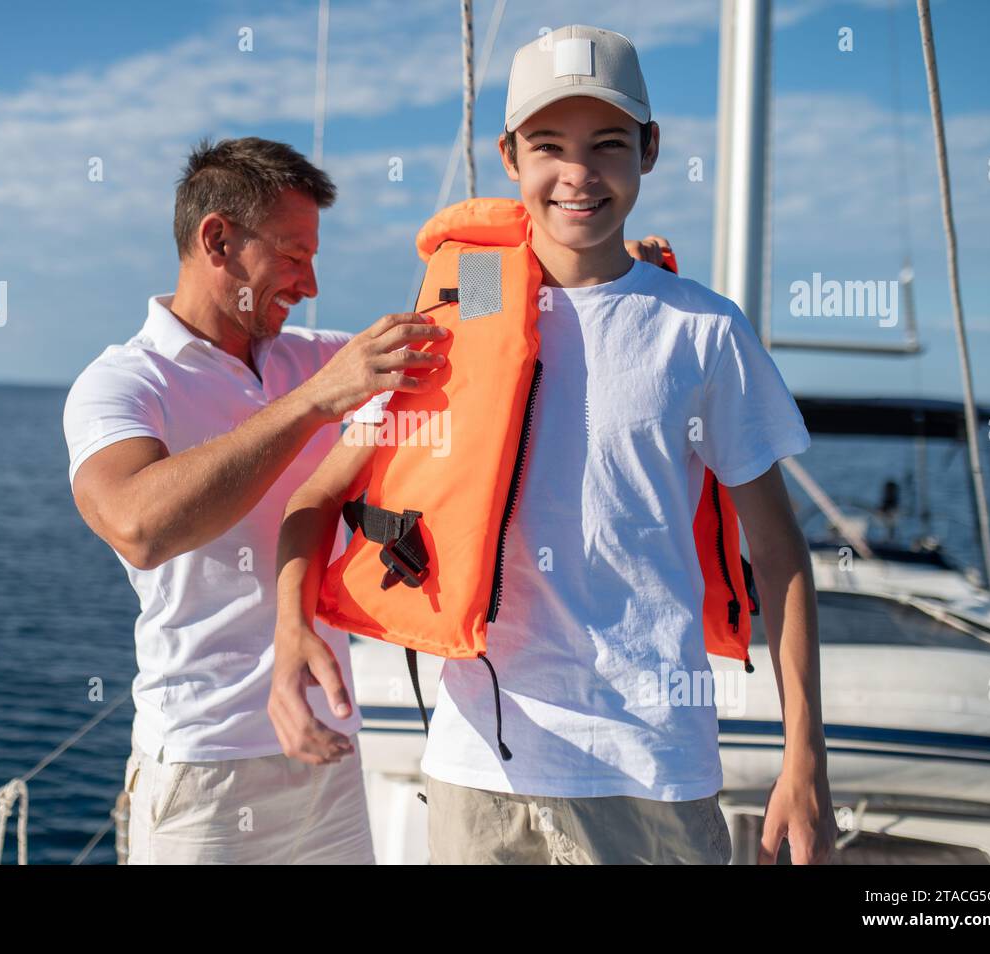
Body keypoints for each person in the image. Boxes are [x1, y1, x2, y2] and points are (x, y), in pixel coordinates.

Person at [269, 26, 838, 865]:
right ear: (508, 156)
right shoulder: (451, 320)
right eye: (548, 147)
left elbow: (783, 554)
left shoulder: (704, 331)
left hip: (651, 779)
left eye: (609, 145)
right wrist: (290, 636)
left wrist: (806, 759)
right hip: (478, 780)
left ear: (649, 149)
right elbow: (316, 497)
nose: (578, 174)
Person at [63, 133, 683, 863]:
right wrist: (313, 403)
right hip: (202, 770)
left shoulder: (316, 355)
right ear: (217, 240)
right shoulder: (125, 384)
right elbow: (139, 526)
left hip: (327, 757)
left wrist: (598, 269)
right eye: (294, 256)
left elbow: (472, 323)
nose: (312, 283)